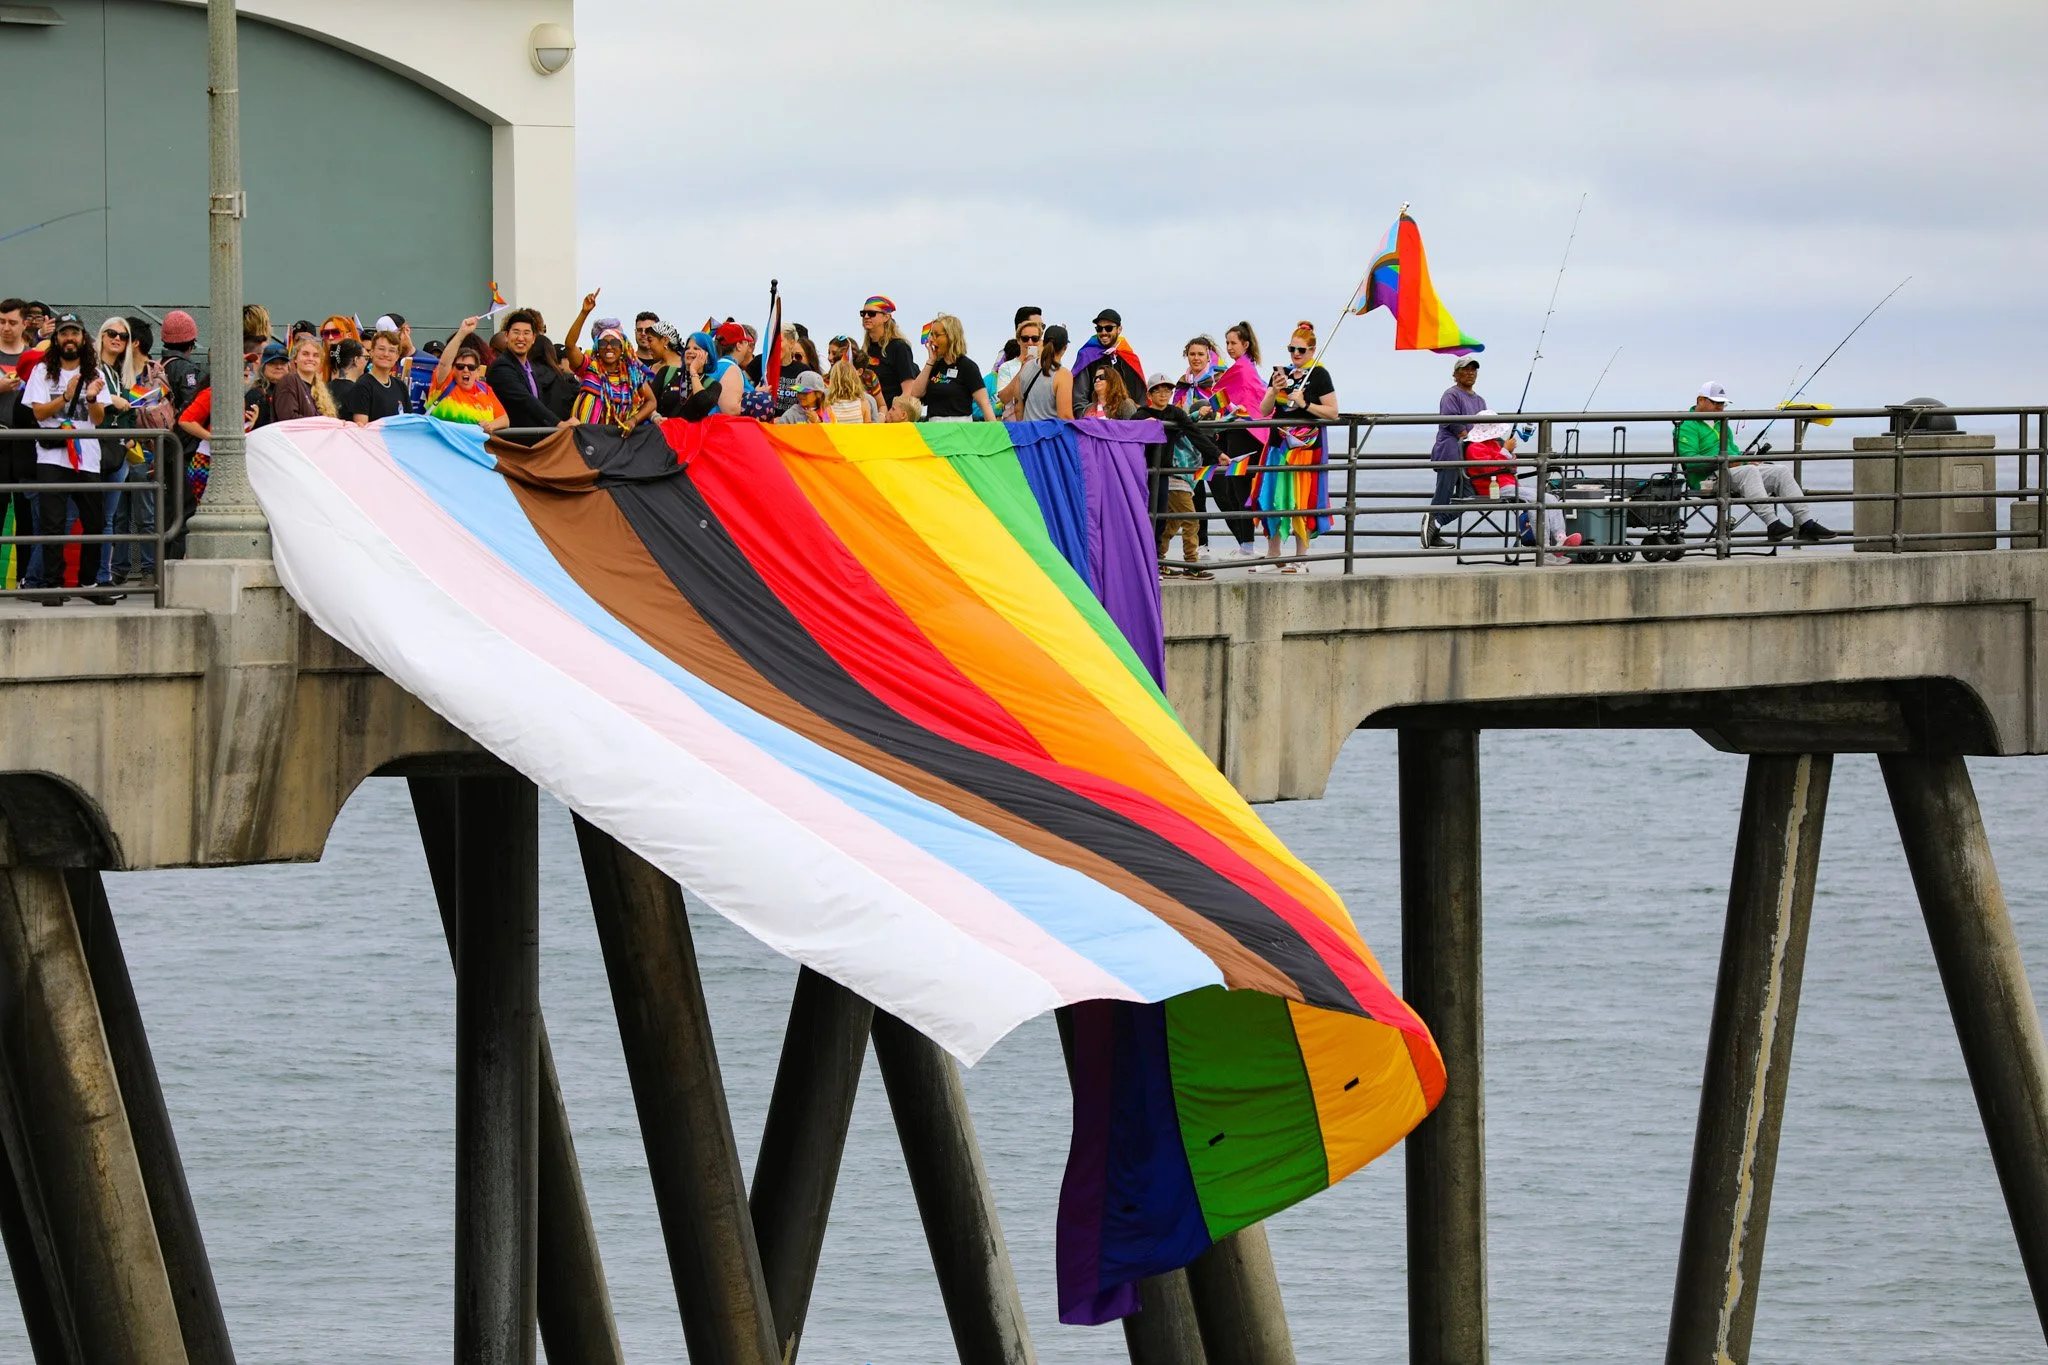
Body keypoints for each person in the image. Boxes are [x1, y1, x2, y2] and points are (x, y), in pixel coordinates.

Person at [23, 315, 111, 603]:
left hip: (87, 458)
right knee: (52, 523)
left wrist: (91, 399)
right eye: (64, 334)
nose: (69, 339)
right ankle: (53, 585)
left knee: (94, 522)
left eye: (74, 333)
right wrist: (65, 397)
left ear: (83, 338)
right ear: (56, 338)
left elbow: (97, 420)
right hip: (52, 456)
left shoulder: (95, 372)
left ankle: (89, 584)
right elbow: (37, 413)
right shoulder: (41, 371)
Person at [1678, 382, 1836, 542]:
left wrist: (1746, 461)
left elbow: (1734, 453)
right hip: (1707, 480)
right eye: (1715, 402)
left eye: (1722, 403)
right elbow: (1691, 461)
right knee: (1749, 472)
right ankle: (1773, 524)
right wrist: (1724, 462)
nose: (1720, 407)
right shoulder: (1687, 425)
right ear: (1700, 400)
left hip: (1733, 472)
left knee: (1780, 471)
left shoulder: (1722, 423)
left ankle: (1807, 524)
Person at [1255, 321, 1338, 570]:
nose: (1295, 354)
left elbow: (1333, 412)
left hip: (1306, 449)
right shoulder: (1282, 373)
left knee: (1302, 500)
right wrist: (1273, 391)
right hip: (1278, 445)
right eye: (1291, 349)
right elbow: (1264, 410)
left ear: (1312, 350)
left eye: (1301, 350)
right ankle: (1274, 555)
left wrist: (1304, 404)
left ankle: (1301, 558)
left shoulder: (1320, 375)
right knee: (1272, 498)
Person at [1144, 373, 1222, 580]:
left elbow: (1192, 427)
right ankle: (1191, 563)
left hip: (1179, 482)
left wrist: (1218, 454)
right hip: (1174, 480)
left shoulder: (1180, 419)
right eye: (1158, 390)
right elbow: (1187, 427)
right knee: (1191, 520)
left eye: (1167, 390)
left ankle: (1160, 559)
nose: (1163, 394)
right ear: (1150, 393)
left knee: (1170, 523)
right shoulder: (1178, 431)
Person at [1423, 356, 1488, 549]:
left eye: (1473, 370)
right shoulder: (1451, 395)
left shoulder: (1480, 401)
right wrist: (1469, 437)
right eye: (1465, 369)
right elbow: (1453, 422)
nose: (1470, 373)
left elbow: (1485, 426)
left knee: (1469, 496)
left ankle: (1435, 524)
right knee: (1443, 493)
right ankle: (1431, 534)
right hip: (1451, 452)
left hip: (1470, 455)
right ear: (1455, 374)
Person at [1172, 335, 1228, 553]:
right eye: (1192, 354)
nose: (1196, 358)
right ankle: (1201, 544)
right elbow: (1176, 409)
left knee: (1224, 494)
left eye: (1200, 354)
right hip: (1187, 447)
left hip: (1211, 444)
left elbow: (1225, 410)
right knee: (1196, 496)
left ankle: (1246, 543)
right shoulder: (1181, 382)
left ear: (1209, 357)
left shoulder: (1216, 382)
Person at [901, 314, 994, 422]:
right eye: (931, 334)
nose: (931, 339)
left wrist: (995, 433)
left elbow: (984, 404)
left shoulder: (968, 367)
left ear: (950, 336)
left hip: (959, 428)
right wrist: (930, 361)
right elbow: (916, 393)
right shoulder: (935, 365)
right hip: (935, 427)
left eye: (936, 335)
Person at [485, 309, 564, 429]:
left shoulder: (530, 368)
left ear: (533, 338)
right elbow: (525, 400)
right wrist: (559, 424)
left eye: (526, 333)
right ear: (506, 336)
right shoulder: (501, 367)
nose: (521, 338)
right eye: (516, 332)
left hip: (532, 441)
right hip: (511, 443)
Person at [423, 325, 509, 432]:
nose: (466, 370)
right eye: (460, 366)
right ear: (452, 369)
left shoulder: (485, 389)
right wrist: (462, 333)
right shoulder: (444, 383)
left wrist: (490, 426)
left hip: (476, 447)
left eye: (471, 367)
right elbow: (444, 363)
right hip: (445, 446)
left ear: (478, 372)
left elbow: (504, 420)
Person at [0, 300, 34, 562]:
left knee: (26, 513)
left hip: (26, 442)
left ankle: (26, 577)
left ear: (25, 323)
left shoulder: (33, 357)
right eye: (1, 322)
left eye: (12, 322)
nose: (6, 328)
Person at [998, 323, 1073, 421]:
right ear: (1065, 348)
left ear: (1043, 343)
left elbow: (1018, 408)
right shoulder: (1063, 375)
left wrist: (1025, 428)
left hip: (1027, 432)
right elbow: (1065, 417)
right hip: (1050, 434)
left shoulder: (1025, 367)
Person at [1072, 308, 1146, 406]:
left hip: (1128, 419)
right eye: (1099, 328)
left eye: (1108, 328)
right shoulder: (1086, 356)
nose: (1103, 332)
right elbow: (1079, 399)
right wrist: (1088, 416)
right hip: (1096, 419)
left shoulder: (1129, 357)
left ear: (1119, 329)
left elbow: (1141, 398)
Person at [855, 296, 918, 408]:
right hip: (869, 415)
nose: (866, 316)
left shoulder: (899, 347)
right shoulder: (865, 349)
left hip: (890, 417)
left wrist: (891, 415)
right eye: (863, 313)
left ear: (886, 317)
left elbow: (908, 390)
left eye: (871, 313)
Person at [345, 330, 411, 424]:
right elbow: (361, 428)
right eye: (381, 349)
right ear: (371, 352)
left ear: (397, 356)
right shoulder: (363, 386)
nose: (386, 354)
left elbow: (408, 423)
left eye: (392, 350)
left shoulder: (401, 386)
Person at [271, 335, 337, 420]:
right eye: (305, 354)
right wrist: (321, 424)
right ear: (295, 359)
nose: (310, 358)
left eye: (316, 355)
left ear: (320, 361)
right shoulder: (289, 381)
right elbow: (289, 419)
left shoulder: (320, 389)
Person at [642, 321, 690, 418]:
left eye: (650, 340)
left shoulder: (688, 367)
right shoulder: (650, 369)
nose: (648, 346)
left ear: (665, 340)